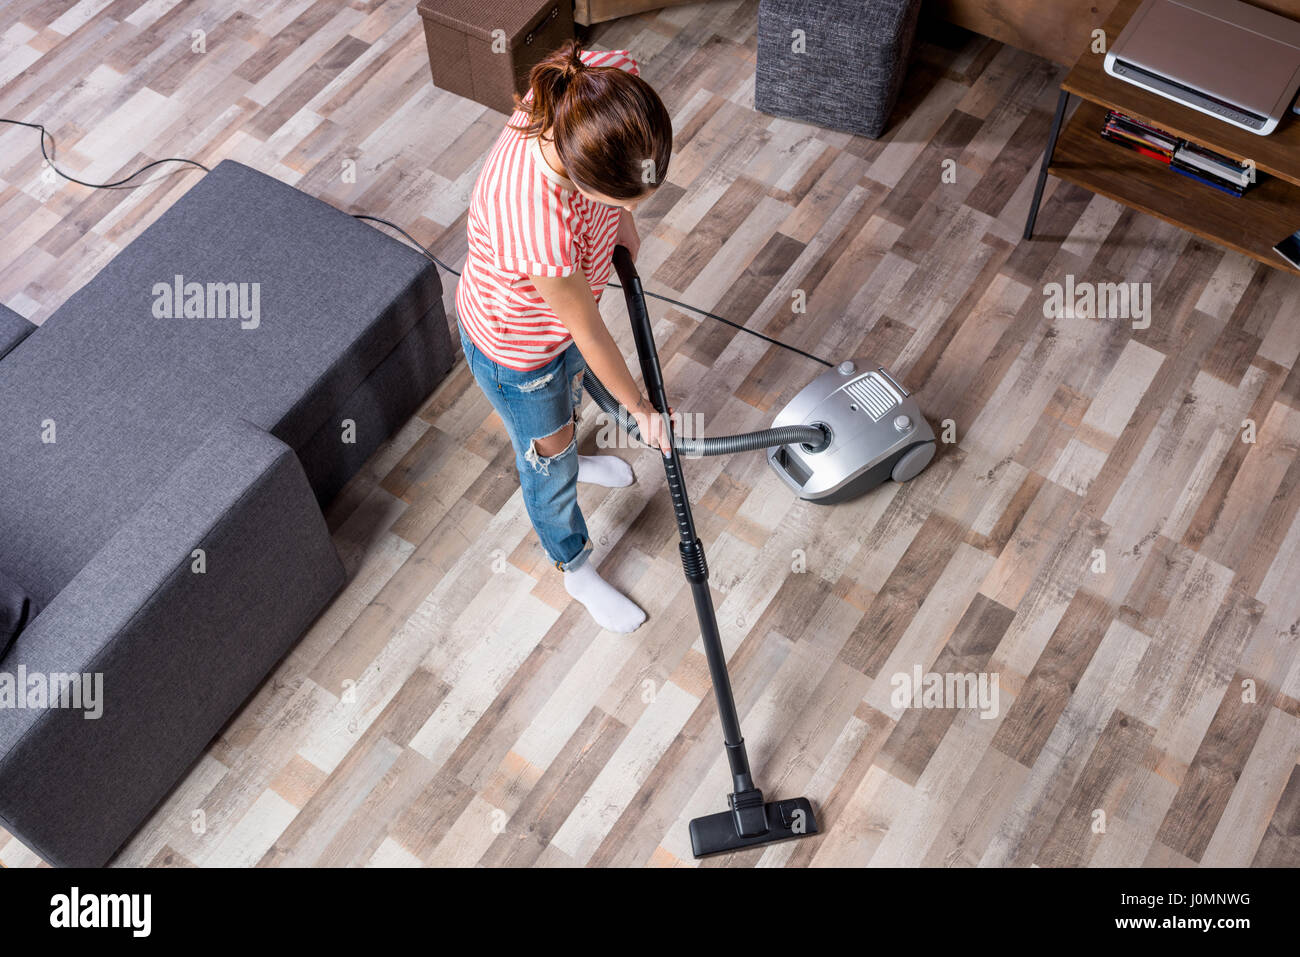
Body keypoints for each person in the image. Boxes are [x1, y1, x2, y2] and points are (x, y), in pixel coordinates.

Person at [454, 41, 674, 633]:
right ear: (580, 178)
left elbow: (584, 331)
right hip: (521, 353)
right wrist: (640, 409)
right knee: (548, 465)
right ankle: (574, 566)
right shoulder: (531, 215)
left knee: (574, 394)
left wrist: (622, 218)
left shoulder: (601, 84)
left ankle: (574, 454)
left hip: (568, 319)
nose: (632, 208)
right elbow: (589, 331)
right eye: (621, 199)